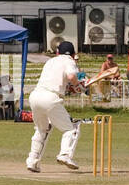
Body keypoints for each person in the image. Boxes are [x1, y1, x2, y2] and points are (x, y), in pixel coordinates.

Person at [25, 41, 86, 173]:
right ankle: (65, 155)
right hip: (50, 98)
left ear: (57, 52)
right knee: (71, 129)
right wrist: (79, 86)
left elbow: (59, 79)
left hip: (35, 97)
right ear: (73, 54)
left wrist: (72, 86)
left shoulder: (50, 61)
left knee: (42, 130)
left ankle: (32, 161)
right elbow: (71, 76)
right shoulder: (69, 61)